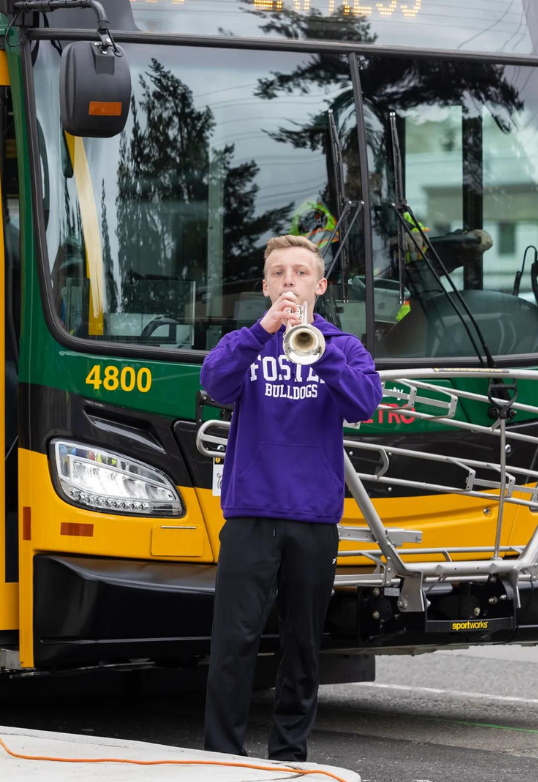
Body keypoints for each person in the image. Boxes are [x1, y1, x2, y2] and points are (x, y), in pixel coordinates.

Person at [199, 235, 383, 761]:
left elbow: (365, 404)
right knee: (233, 642)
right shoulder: (246, 342)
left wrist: (315, 348)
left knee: (302, 644)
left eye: (300, 273)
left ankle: (288, 754)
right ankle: (221, 755)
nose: (288, 281)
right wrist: (266, 331)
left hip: (313, 517)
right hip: (251, 513)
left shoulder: (344, 347)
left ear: (319, 286)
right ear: (264, 286)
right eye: (278, 273)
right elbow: (215, 383)